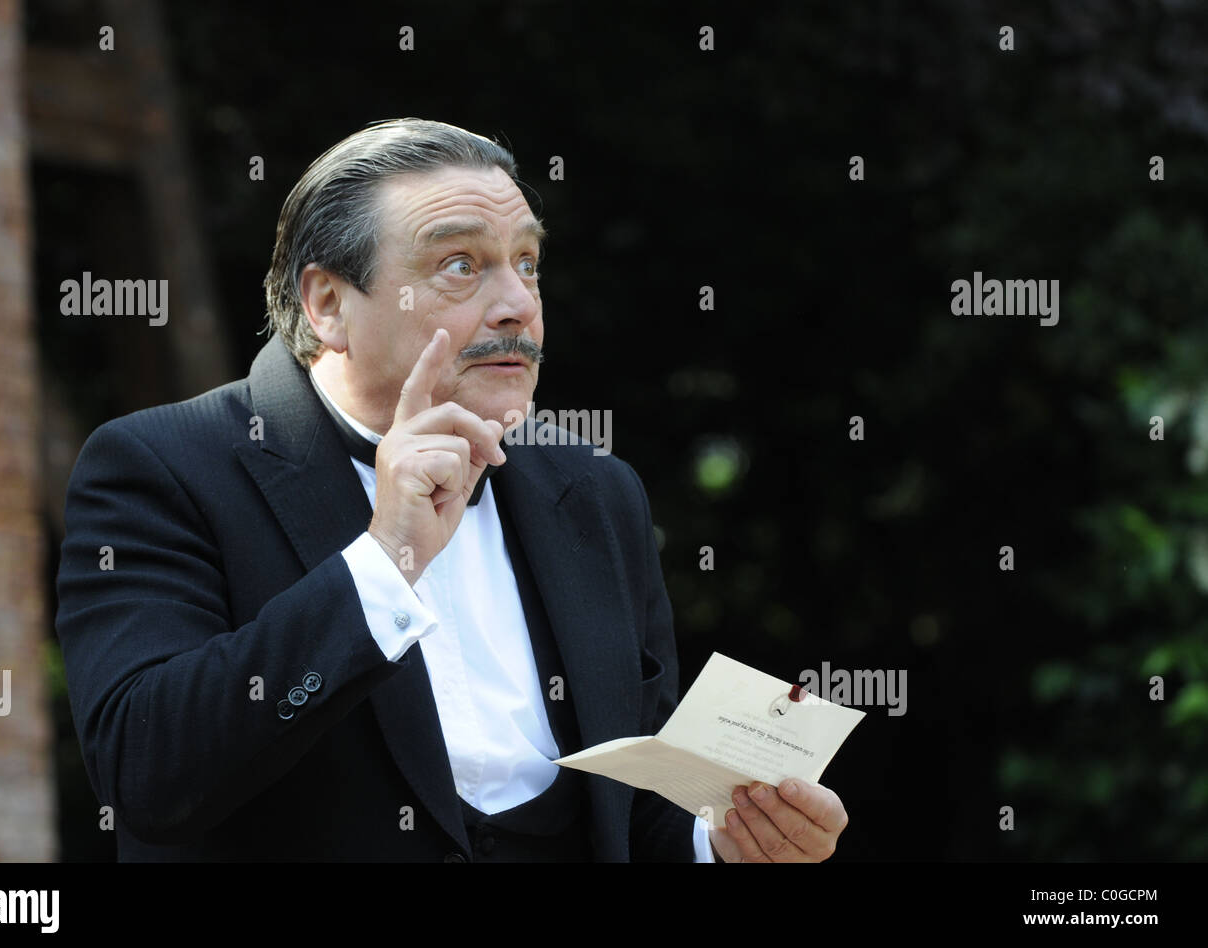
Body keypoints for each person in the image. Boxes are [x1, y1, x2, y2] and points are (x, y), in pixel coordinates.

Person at [55, 117, 849, 862]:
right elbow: (146, 772)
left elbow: (631, 813)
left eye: (527, 263)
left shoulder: (597, 490)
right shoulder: (161, 467)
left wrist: (726, 843)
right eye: (460, 264)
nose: (516, 305)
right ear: (328, 303)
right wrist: (383, 562)